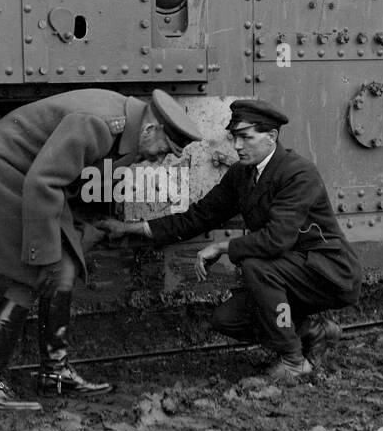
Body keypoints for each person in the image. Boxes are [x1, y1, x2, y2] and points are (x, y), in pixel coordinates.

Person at [0, 88, 202, 413]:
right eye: (164, 150)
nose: (160, 159)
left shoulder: (124, 126)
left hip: (26, 182)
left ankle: (55, 374)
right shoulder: (99, 124)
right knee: (37, 274)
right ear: (150, 130)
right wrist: (44, 254)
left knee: (61, 269)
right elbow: (44, 181)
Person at [99, 99, 361, 382]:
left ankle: (294, 361)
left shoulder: (298, 173)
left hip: (328, 273)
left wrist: (222, 246)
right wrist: (134, 228)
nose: (237, 146)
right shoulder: (242, 174)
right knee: (227, 319)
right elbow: (200, 216)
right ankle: (313, 330)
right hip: (287, 274)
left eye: (246, 137)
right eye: (235, 137)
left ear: (271, 137)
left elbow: (276, 240)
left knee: (256, 266)